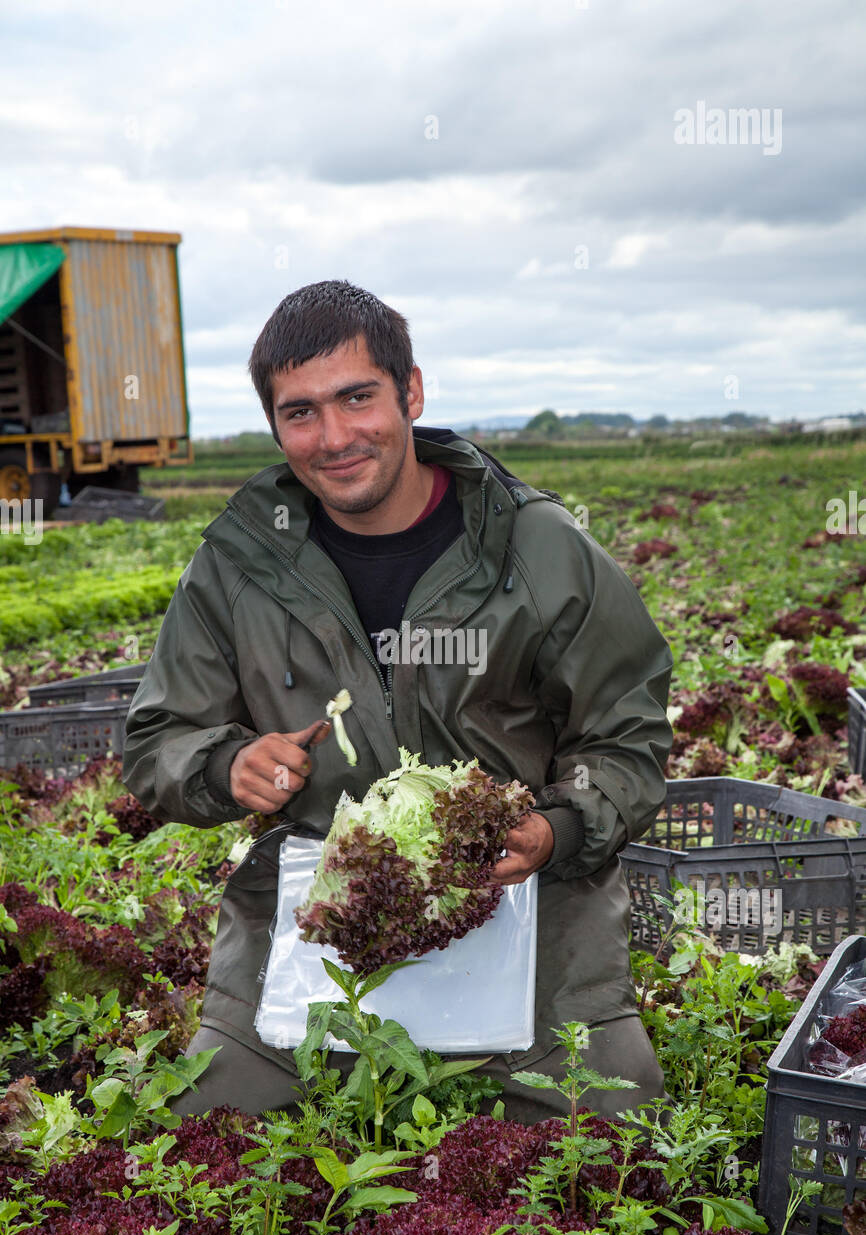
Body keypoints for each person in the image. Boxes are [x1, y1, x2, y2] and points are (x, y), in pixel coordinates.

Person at [121, 279, 674, 1126]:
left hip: (527, 909)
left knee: (608, 1130)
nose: (334, 437)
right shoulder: (238, 563)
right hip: (321, 919)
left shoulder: (539, 547)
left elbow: (626, 737)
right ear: (275, 424)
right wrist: (226, 764)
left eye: (357, 398)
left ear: (410, 392)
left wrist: (557, 829)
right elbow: (158, 738)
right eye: (300, 412)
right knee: (205, 1134)